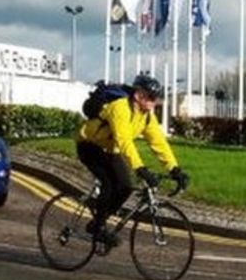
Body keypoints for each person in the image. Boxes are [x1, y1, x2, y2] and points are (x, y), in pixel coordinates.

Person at [75, 74, 190, 247]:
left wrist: (174, 169)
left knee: (126, 187)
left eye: (156, 98)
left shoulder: (146, 116)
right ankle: (98, 228)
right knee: (109, 184)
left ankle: (97, 221)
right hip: (89, 145)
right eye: (151, 97)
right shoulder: (120, 107)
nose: (154, 102)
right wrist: (140, 169)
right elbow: (124, 141)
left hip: (110, 149)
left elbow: (158, 142)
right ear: (138, 95)